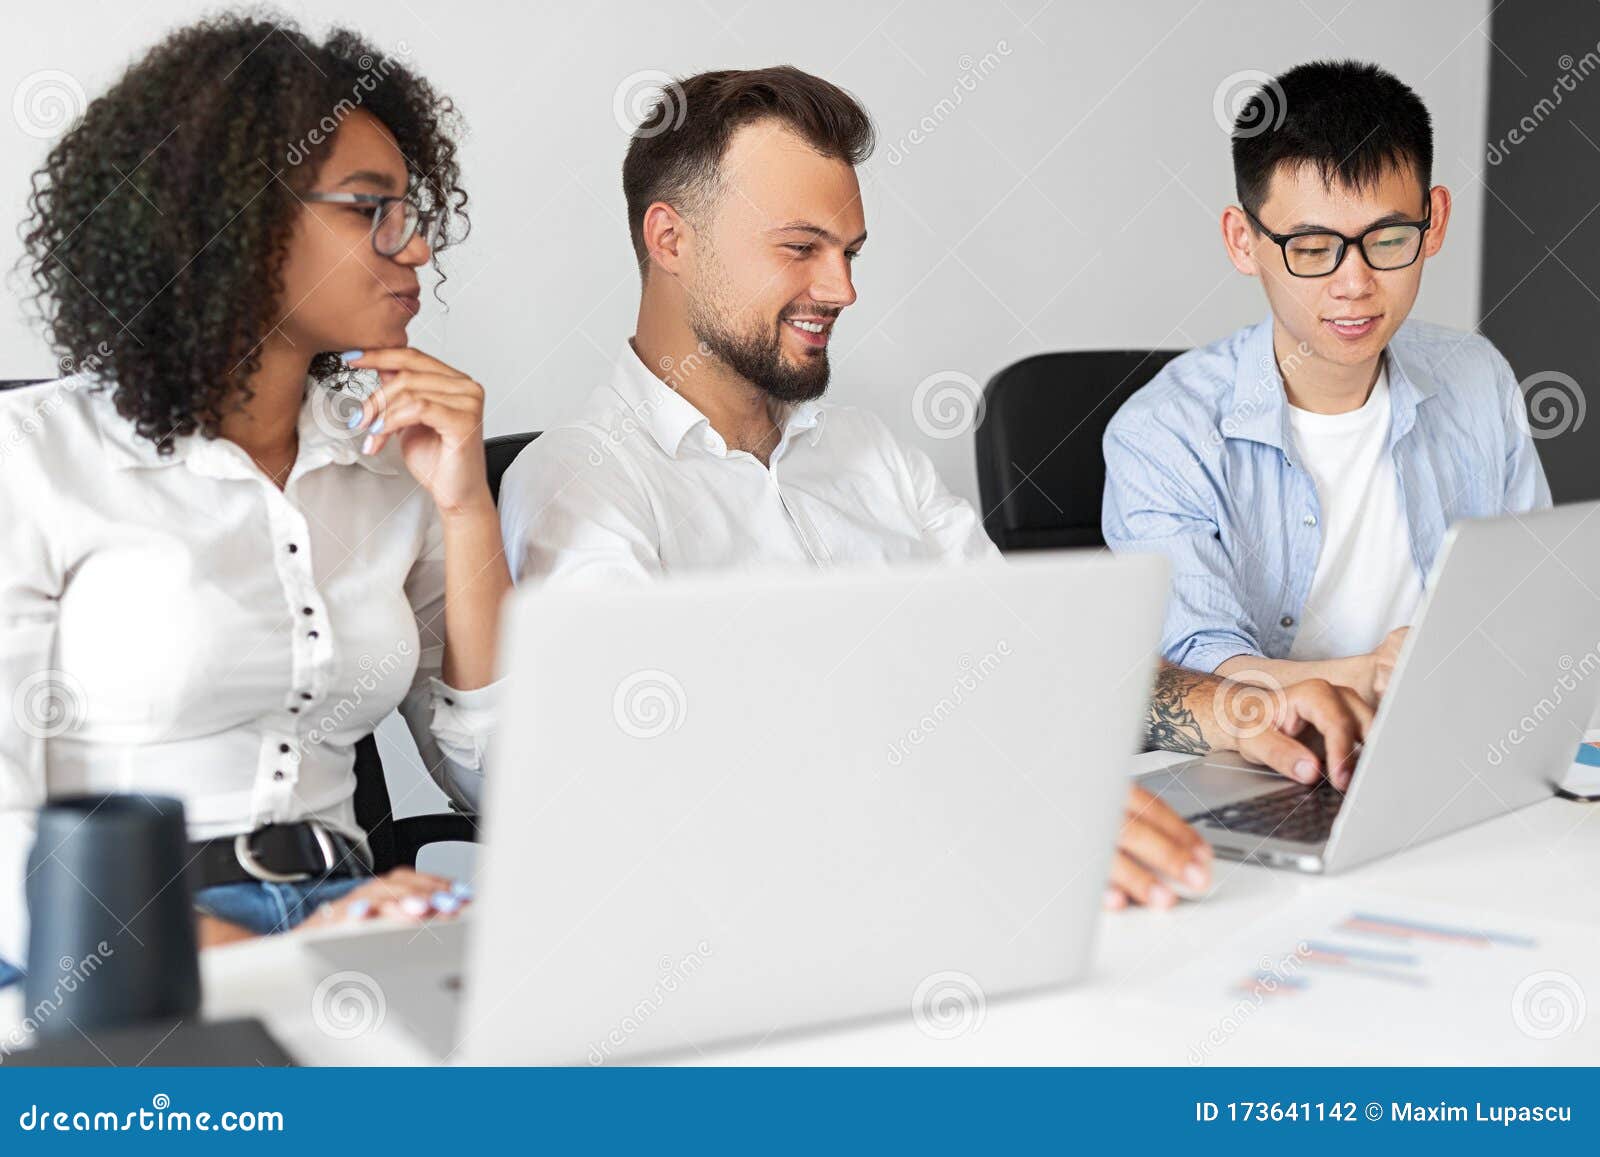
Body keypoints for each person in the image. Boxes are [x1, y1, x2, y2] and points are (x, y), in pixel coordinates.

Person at [498, 66, 1372, 911]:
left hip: (972, 892)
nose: (842, 288)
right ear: (670, 239)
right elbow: (650, 778)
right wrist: (1001, 819)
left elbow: (1027, 659)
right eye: (802, 248)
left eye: (850, 251)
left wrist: (1229, 708)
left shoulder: (868, 453)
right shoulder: (585, 482)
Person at [0, 16, 511, 987]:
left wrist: (467, 509)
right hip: (119, 955)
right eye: (373, 208)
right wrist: (281, 953)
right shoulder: (31, 460)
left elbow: (503, 785)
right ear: (232, 217)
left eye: (413, 207)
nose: (418, 246)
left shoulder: (393, 463)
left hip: (358, 918)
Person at [1102, 61, 1550, 704]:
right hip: (1260, 760)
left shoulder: (1476, 376)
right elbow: (1196, 660)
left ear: (1435, 222)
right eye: (1312, 250)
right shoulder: (1161, 432)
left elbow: (1525, 591)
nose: (1355, 284)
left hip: (1451, 730)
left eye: (1389, 240)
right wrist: (1364, 677)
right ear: (1242, 241)